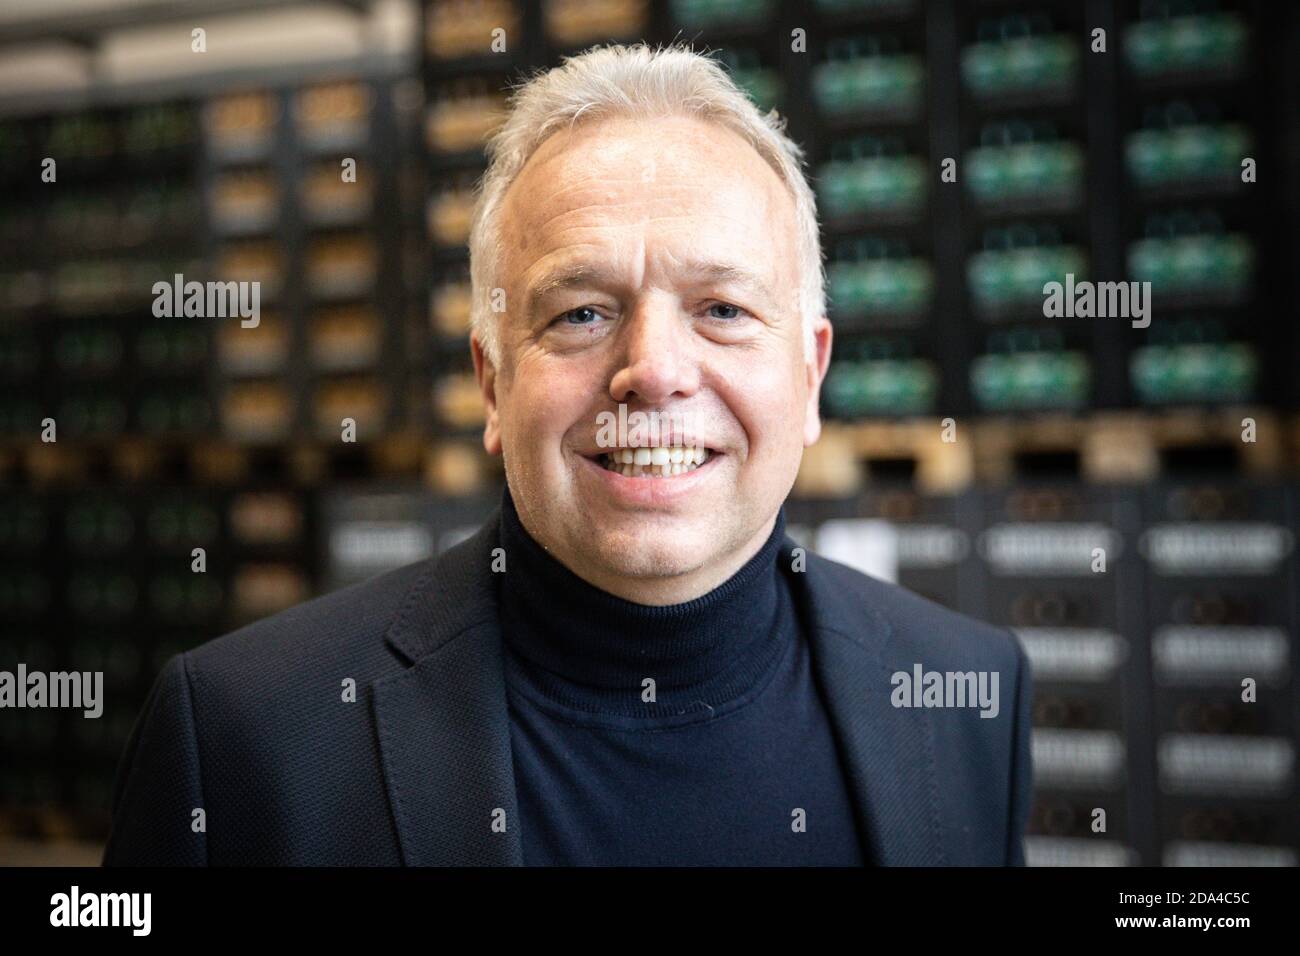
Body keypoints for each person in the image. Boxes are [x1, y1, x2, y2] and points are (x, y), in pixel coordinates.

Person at [104, 41, 1032, 866]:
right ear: (494, 384)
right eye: (581, 313)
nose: (655, 371)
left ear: (810, 372)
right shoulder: (244, 739)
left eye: (723, 309)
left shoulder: (968, 697)